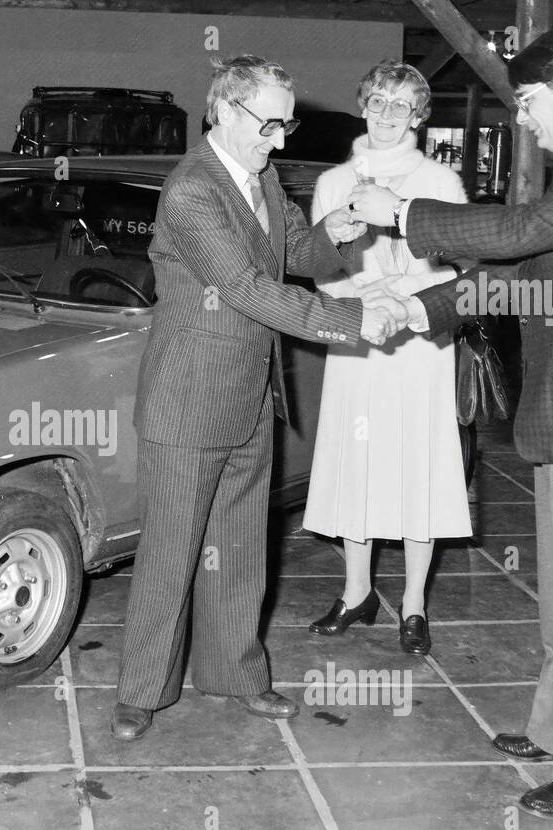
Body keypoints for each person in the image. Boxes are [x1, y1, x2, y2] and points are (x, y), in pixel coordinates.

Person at [349, 27, 553, 818]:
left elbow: (521, 234)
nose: (524, 120)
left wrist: (403, 214)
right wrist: (413, 307)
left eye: (529, 102)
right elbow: (519, 278)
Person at [112, 54, 404, 742]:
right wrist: (352, 321)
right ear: (224, 108)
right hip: (189, 401)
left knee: (241, 549)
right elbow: (245, 286)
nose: (280, 141)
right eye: (269, 125)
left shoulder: (263, 178)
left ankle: (236, 674)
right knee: (171, 553)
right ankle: (140, 692)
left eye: (285, 124)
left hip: (250, 394)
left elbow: (292, 252)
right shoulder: (192, 191)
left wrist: (332, 235)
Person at [303, 61, 473, 657]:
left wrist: (406, 294)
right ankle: (356, 592)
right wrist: (358, 295)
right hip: (358, 339)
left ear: (421, 116)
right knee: (358, 463)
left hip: (420, 343)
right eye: (376, 101)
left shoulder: (441, 183)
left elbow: (459, 271)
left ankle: (415, 603)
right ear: (363, 104)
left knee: (416, 465)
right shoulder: (333, 182)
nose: (386, 115)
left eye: (401, 105)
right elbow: (317, 269)